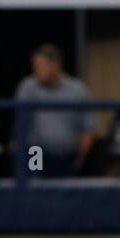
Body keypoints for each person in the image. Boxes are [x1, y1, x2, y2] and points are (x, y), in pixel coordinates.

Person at [14, 43, 95, 177]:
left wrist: (80, 158)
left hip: (67, 155)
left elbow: (88, 127)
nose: (36, 70)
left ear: (55, 64)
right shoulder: (27, 87)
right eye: (35, 66)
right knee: (35, 189)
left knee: (66, 193)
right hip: (36, 152)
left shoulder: (76, 89)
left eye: (41, 66)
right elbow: (20, 125)